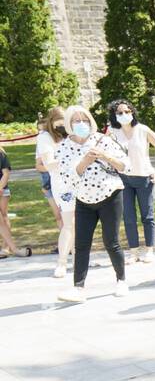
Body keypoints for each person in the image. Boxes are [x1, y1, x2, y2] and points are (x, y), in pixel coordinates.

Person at [54, 105, 129, 301]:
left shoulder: (103, 140)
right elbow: (66, 178)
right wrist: (84, 162)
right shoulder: (63, 147)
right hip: (84, 199)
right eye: (76, 121)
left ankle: (121, 280)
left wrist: (105, 156)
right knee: (81, 244)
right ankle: (78, 287)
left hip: (110, 194)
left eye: (85, 120)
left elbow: (124, 165)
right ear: (69, 124)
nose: (81, 124)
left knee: (111, 241)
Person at [106, 99, 155, 263]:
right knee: (128, 216)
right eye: (119, 113)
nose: (124, 115)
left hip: (144, 178)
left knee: (147, 216)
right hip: (123, 179)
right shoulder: (112, 132)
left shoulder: (142, 130)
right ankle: (133, 252)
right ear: (114, 115)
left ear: (132, 112)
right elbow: (104, 151)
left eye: (127, 111)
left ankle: (149, 250)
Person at [35, 107, 74, 275]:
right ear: (52, 121)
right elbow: (47, 163)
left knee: (81, 224)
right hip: (62, 184)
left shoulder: (72, 135)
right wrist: (72, 161)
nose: (64, 125)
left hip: (81, 183)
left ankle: (81, 258)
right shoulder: (45, 138)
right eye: (61, 121)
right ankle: (62, 262)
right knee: (68, 223)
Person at [0, 144, 33, 258]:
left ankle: (7, 248)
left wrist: (0, 187)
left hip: (2, 190)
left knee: (3, 218)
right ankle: (12, 249)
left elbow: (6, 173)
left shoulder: (1, 153)